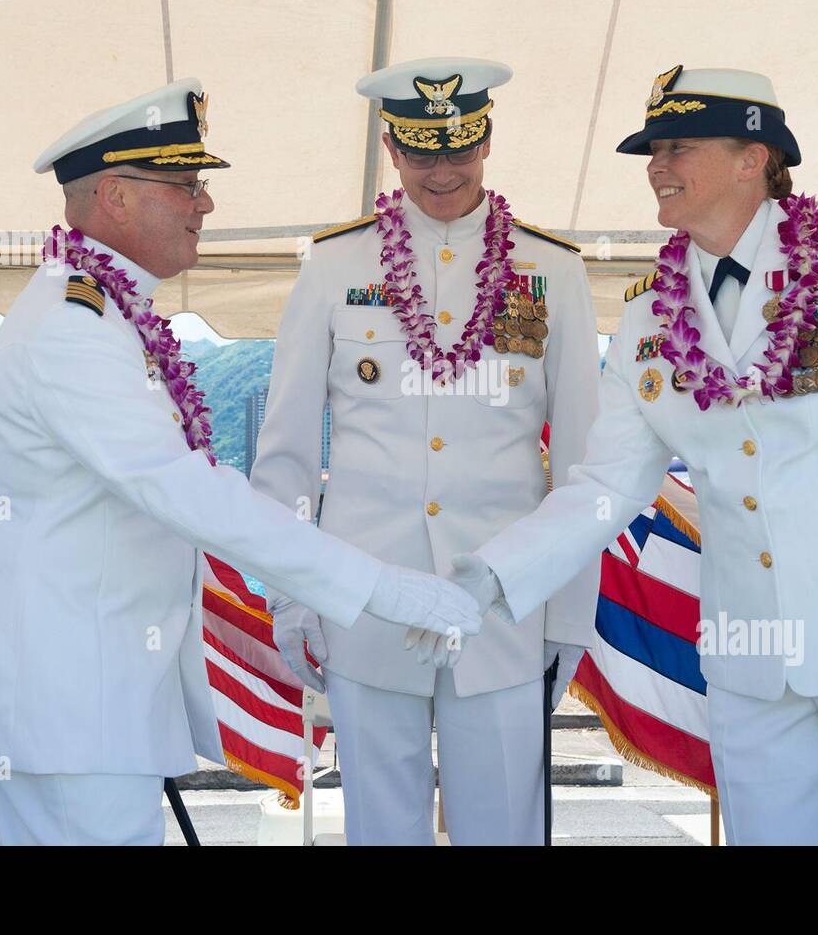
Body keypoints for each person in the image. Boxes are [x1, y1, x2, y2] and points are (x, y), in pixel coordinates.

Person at [451, 66, 818, 845]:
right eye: (651, 151)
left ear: (752, 157)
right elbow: (607, 485)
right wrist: (495, 573)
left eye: (678, 146)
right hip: (749, 663)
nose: (657, 166)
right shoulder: (644, 321)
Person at [0, 79, 481, 845]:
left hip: (89, 706)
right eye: (183, 185)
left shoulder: (102, 313)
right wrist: (378, 587)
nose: (204, 204)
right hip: (73, 709)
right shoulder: (74, 327)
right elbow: (183, 492)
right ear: (116, 197)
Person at [249, 58, 600, 845]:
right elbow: (288, 451)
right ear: (390, 148)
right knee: (381, 830)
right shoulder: (335, 264)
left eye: (459, 147)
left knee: (504, 827)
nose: (442, 170)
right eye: (421, 151)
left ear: (487, 141)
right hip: (366, 601)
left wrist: (568, 616)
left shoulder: (554, 269)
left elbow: (583, 465)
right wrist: (292, 595)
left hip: (505, 607)